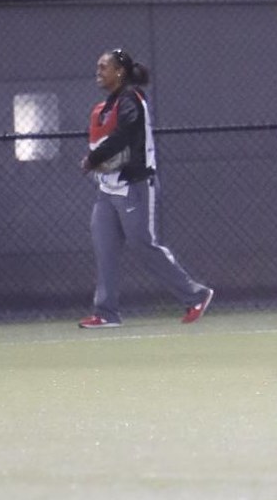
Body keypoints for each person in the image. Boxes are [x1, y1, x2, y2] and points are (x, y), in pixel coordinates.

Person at [79, 49, 213, 329]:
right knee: (104, 247)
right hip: (108, 189)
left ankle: (196, 295)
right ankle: (106, 312)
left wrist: (94, 158)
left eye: (104, 67)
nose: (99, 72)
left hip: (135, 184)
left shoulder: (132, 99)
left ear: (120, 72)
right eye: (98, 67)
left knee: (142, 244)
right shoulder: (110, 102)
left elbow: (124, 135)